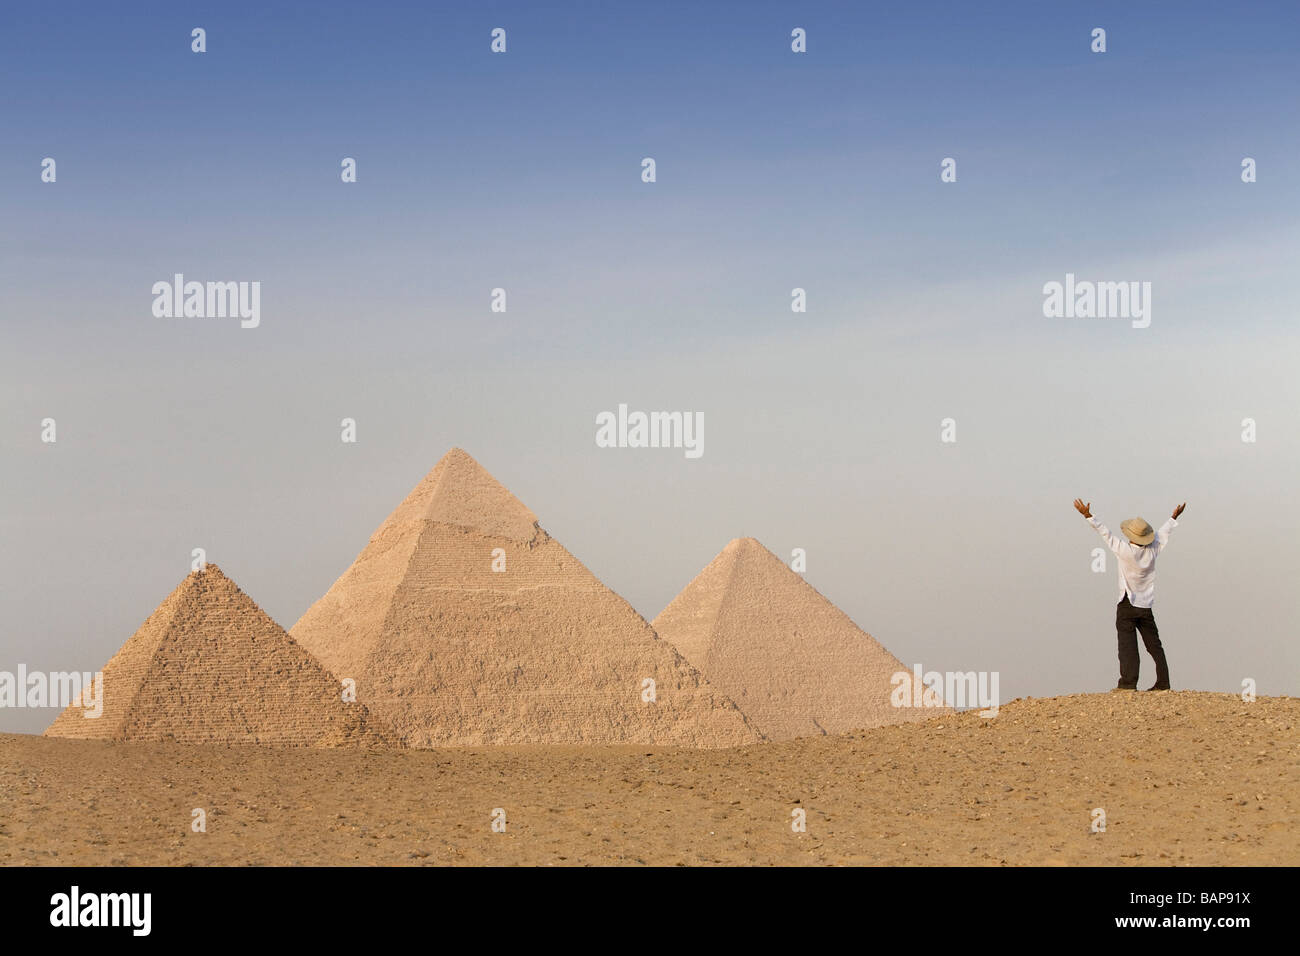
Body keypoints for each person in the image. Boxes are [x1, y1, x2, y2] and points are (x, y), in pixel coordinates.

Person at [1073, 499, 1186, 691]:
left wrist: (1088, 515)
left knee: (1127, 646)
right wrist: (1173, 517)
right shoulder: (1153, 550)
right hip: (1146, 605)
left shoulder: (1124, 550)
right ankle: (1163, 682)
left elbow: (1105, 533)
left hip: (1127, 604)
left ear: (1131, 536)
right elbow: (1164, 534)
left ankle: (1128, 683)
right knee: (1154, 646)